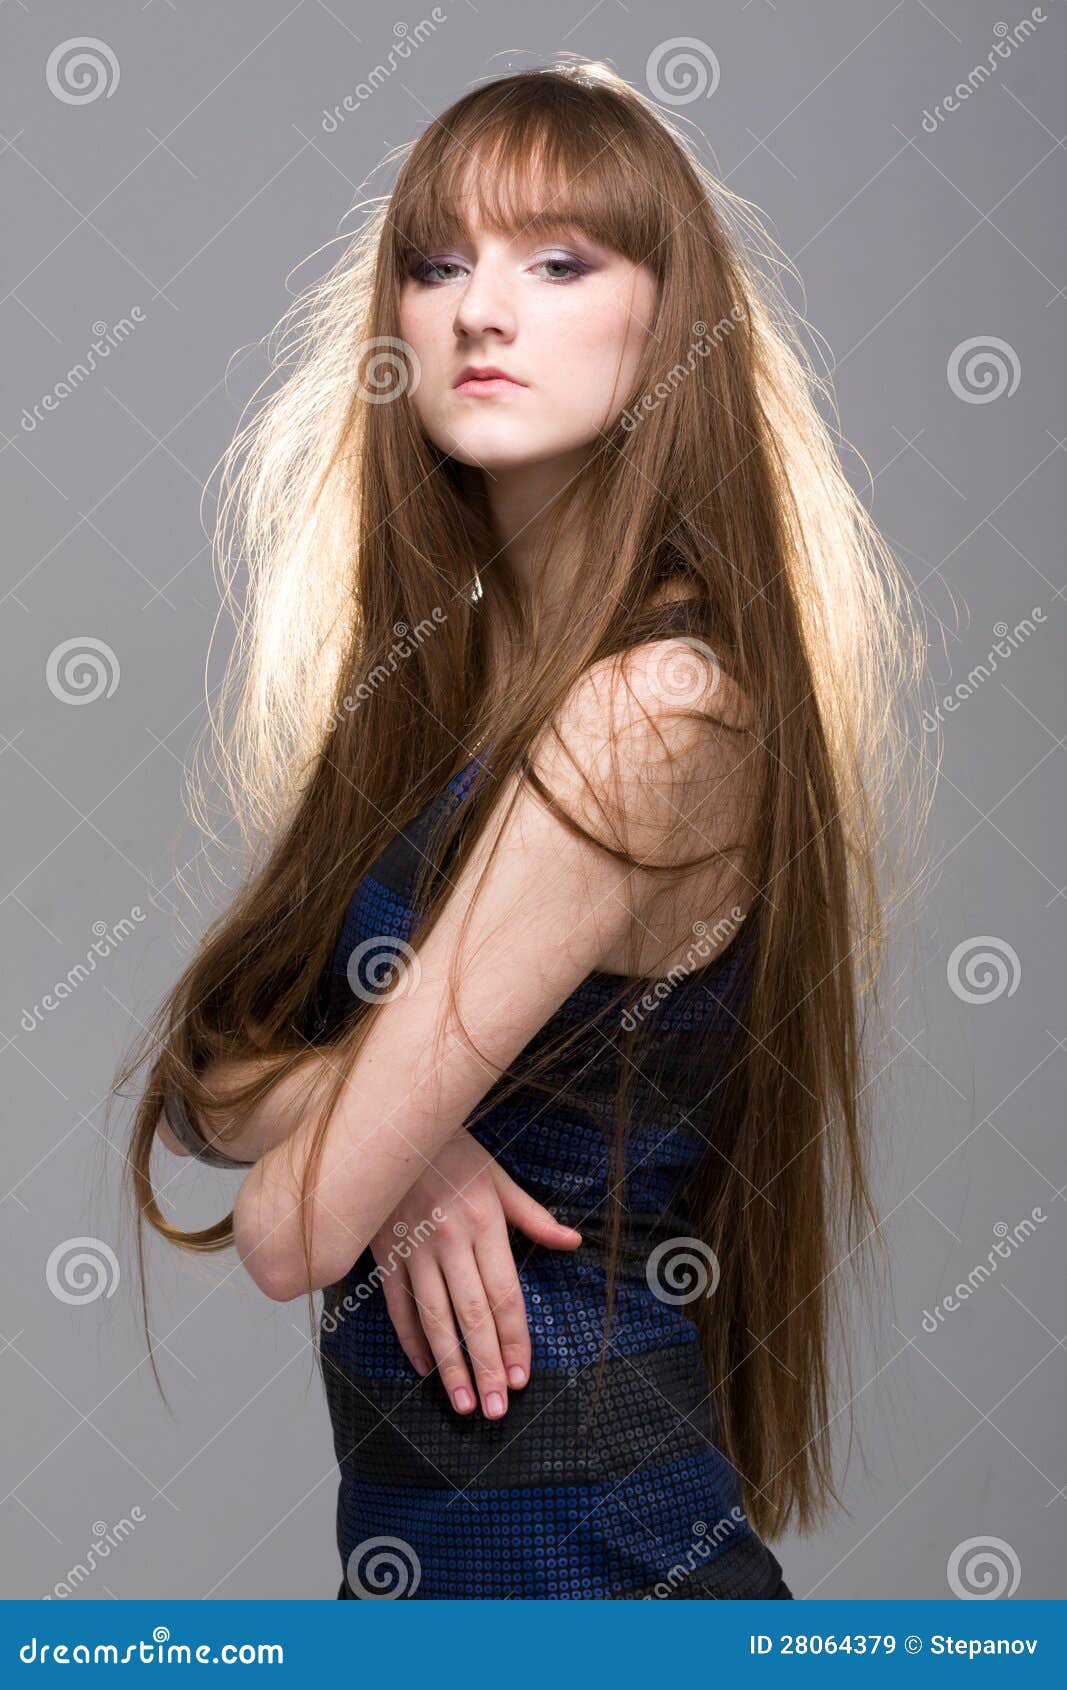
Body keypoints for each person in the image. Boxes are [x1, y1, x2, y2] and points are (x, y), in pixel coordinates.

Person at [114, 61, 930, 1600]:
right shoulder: (449, 691)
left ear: (667, 317)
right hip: (440, 1562)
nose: (481, 310)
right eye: (437, 264)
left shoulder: (658, 717)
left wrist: (367, 1149)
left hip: (592, 1571)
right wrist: (407, 1147)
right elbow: (200, 1076)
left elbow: (290, 1229)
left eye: (560, 262)